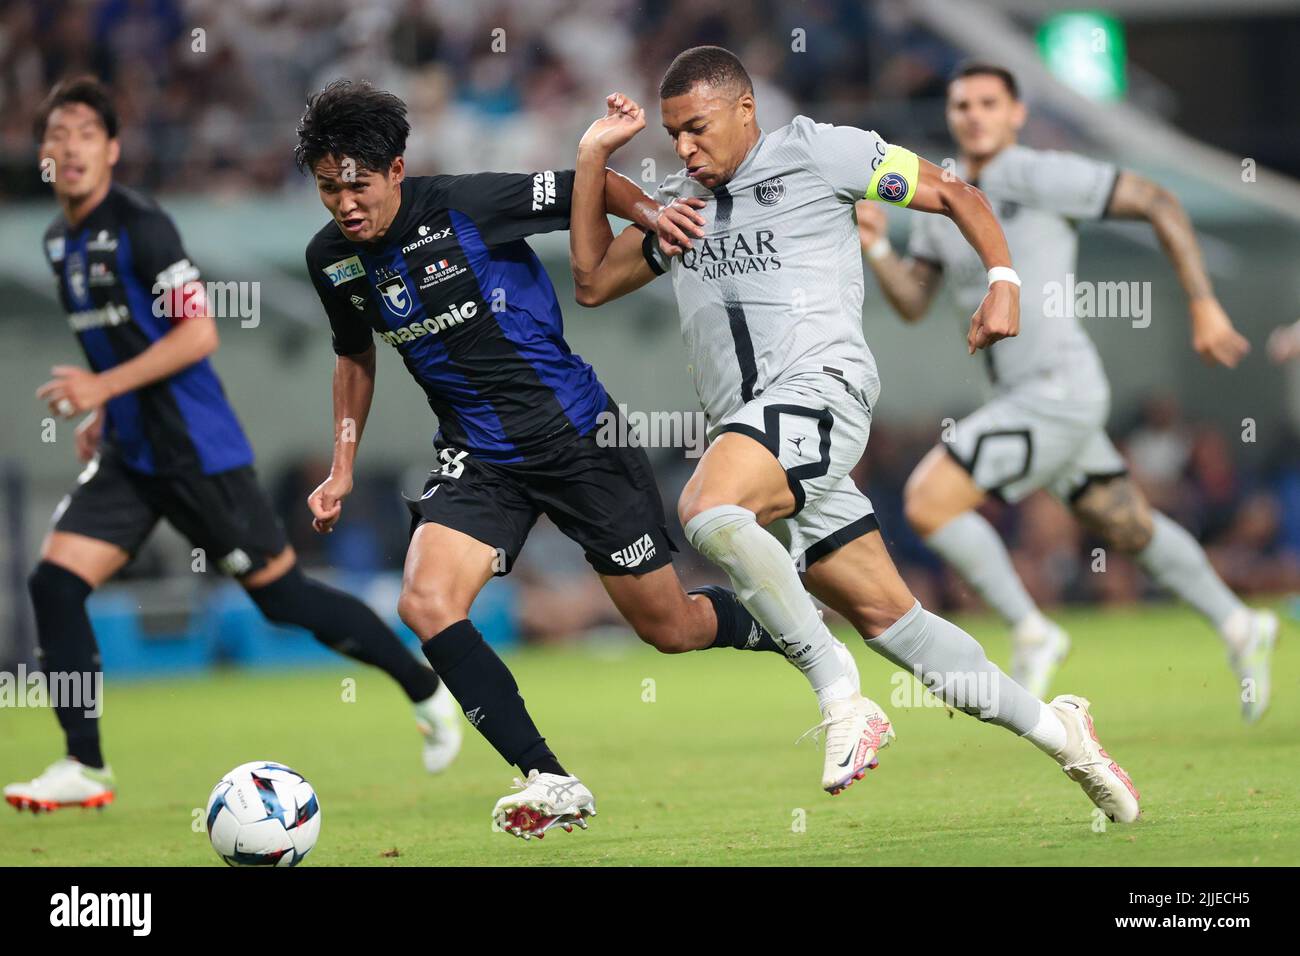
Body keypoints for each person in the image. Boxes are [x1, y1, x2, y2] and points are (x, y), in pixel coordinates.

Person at [569, 46, 1141, 823]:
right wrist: (592, 158)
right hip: (761, 437)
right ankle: (1065, 735)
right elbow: (595, 282)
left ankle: (838, 692)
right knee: (896, 625)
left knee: (707, 506)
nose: (685, 149)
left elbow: (953, 192)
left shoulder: (818, 152)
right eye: (673, 136)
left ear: (746, 110)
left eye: (698, 129)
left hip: (819, 395)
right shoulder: (682, 206)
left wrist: (1003, 283)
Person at [296, 80, 787, 840]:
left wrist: (655, 216)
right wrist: (343, 464)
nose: (344, 203)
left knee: (672, 629)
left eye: (357, 184)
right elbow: (353, 357)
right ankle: (547, 775)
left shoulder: (467, 204)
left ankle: (783, 628)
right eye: (328, 189)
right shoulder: (331, 259)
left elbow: (594, 185)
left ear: (396, 169)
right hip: (478, 457)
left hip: (577, 438)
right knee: (425, 603)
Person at [5, 76, 462, 815]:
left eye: (86, 134)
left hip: (197, 451)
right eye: (57, 137)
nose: (70, 148)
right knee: (54, 584)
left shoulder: (142, 227)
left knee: (283, 600)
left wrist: (105, 387)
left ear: (114, 149)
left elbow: (198, 331)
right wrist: (104, 402)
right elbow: (115, 339)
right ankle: (83, 764)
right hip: (128, 455)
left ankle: (424, 686)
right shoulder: (60, 241)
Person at [856, 62, 1277, 719]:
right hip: (1031, 397)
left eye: (990, 103)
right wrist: (880, 251)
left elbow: (1157, 200)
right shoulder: (944, 199)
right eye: (962, 103)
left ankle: (1031, 627)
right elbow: (914, 302)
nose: (974, 114)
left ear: (1017, 114)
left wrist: (1203, 305)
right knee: (1127, 523)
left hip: (1058, 387)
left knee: (927, 502)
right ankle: (1240, 623)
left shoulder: (1039, 173)